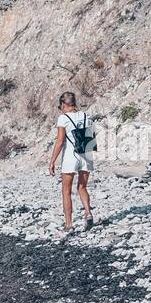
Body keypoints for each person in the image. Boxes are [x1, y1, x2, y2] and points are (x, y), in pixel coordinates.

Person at [48, 91, 95, 232]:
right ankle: (88, 213)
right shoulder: (87, 116)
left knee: (66, 191)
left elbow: (60, 141)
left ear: (63, 104)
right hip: (86, 155)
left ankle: (69, 225)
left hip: (70, 157)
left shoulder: (63, 118)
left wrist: (52, 161)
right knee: (82, 187)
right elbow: (91, 137)